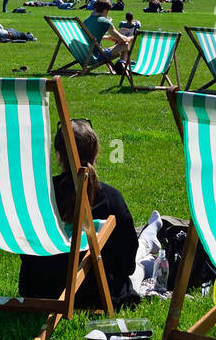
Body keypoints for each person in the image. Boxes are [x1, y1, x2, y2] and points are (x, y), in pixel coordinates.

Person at [17, 119, 139, 309]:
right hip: (97, 295)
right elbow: (127, 264)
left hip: (38, 291)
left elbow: (25, 248)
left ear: (58, 156)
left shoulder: (37, 196)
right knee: (143, 263)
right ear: (95, 154)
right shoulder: (112, 198)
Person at [84, 0, 131, 69]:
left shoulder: (87, 20)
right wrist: (130, 38)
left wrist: (108, 37)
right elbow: (122, 40)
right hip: (94, 57)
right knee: (126, 44)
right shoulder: (104, 21)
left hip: (83, 55)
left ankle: (120, 65)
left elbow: (91, 36)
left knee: (124, 43)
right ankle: (121, 66)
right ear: (106, 10)